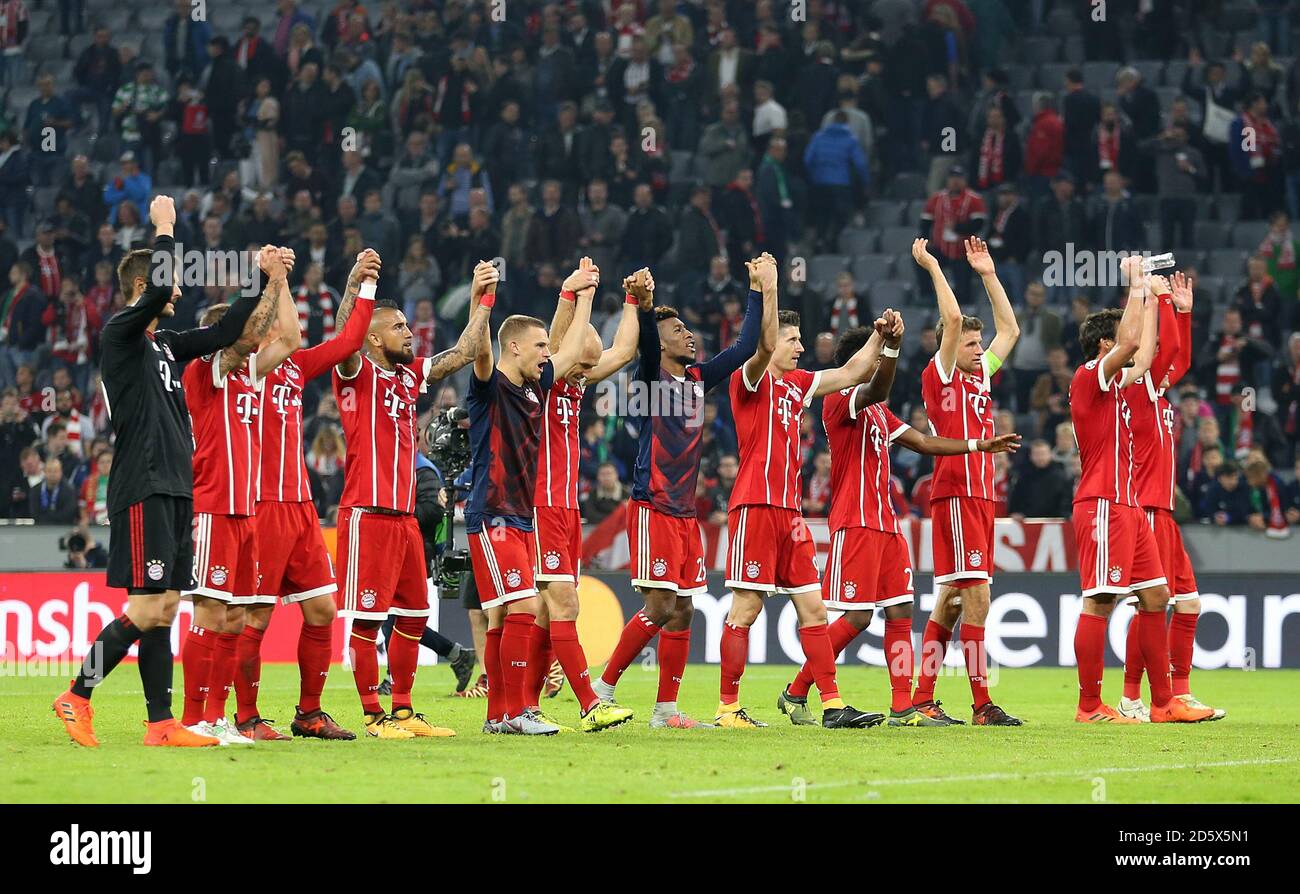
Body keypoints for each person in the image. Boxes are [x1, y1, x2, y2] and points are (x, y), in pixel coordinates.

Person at [52, 195, 265, 748]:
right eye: (166, 284)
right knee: (145, 607)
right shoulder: (120, 336)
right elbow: (157, 286)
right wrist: (166, 227)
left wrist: (260, 283)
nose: (177, 291)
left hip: (175, 488)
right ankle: (77, 694)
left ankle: (160, 725)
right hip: (142, 484)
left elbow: (225, 336)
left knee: (166, 609)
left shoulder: (167, 345)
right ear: (145, 287)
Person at [779, 322, 1021, 728]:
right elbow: (875, 386)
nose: (879, 365)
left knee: (901, 609)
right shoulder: (841, 399)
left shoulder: (880, 412)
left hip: (888, 524)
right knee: (857, 617)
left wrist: (980, 445)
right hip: (855, 520)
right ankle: (799, 689)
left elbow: (926, 444)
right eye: (872, 358)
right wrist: (889, 349)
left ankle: (902, 707)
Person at [718, 254, 896, 730]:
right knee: (747, 606)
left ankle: (832, 705)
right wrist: (769, 288)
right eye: (793, 340)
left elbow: (856, 372)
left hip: (790, 513)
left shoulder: (798, 386)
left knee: (814, 608)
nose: (799, 348)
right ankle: (728, 707)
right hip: (755, 504)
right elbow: (759, 345)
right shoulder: (748, 380)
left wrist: (880, 334)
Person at [591, 240, 764, 730]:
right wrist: (646, 305)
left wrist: (755, 290)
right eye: (678, 331)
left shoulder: (695, 379)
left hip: (685, 513)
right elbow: (644, 342)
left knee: (685, 610)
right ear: (662, 343)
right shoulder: (650, 378)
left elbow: (744, 348)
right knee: (661, 605)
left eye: (688, 329)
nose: (688, 336)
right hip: (652, 506)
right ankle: (603, 688)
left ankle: (666, 710)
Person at [331, 260, 494, 738]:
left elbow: (464, 351)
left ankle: (402, 710)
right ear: (375, 338)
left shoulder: (409, 377)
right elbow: (344, 337)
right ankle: (372, 716)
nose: (409, 331)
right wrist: (355, 283)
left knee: (414, 615)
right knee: (366, 620)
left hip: (405, 518)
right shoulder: (355, 370)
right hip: (367, 513)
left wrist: (482, 295)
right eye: (398, 326)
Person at [231, 250, 381, 742]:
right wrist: (272, 277)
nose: (286, 323)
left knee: (321, 610)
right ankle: (247, 718)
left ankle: (309, 713)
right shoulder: (241, 365)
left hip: (301, 510)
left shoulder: (295, 367)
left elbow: (351, 340)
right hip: (261, 506)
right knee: (256, 614)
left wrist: (362, 284)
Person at [1068, 256, 1213, 724]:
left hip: (1129, 506)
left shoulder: (1122, 383)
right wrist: (1134, 285)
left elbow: (1149, 353)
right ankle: (1090, 705)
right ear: (1105, 345)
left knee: (1154, 598)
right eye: (1120, 339)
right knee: (1101, 600)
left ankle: (1163, 702)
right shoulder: (1092, 377)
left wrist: (1157, 299)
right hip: (1104, 503)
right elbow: (1133, 342)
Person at [465, 260, 602, 736]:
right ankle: (519, 712)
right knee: (524, 608)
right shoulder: (490, 386)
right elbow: (478, 348)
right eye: (541, 346)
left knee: (508, 612)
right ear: (516, 347)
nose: (549, 354)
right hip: (492, 514)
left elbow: (571, 351)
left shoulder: (536, 387)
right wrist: (481, 297)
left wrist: (582, 296)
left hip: (522, 517)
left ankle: (498, 716)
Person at [521, 261, 644, 732]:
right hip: (542, 504)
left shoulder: (575, 385)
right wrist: (576, 294)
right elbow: (558, 340)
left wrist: (632, 298)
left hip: (566, 507)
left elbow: (626, 350)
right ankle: (591, 704)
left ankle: (526, 707)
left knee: (548, 613)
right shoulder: (541, 381)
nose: (594, 365)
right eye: (587, 359)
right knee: (565, 605)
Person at [178, 247, 293, 746]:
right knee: (209, 612)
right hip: (214, 505)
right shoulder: (208, 369)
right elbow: (247, 333)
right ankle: (189, 718)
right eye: (244, 333)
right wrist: (265, 280)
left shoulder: (249, 373)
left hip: (247, 509)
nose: (255, 340)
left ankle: (218, 717)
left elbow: (287, 337)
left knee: (234, 616)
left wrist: (282, 279)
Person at [911, 236, 1024, 726]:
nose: (980, 350)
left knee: (953, 601)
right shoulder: (941, 376)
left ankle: (922, 697)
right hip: (956, 493)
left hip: (981, 497)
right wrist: (936, 267)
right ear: (951, 348)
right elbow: (953, 321)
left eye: (981, 345)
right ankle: (981, 704)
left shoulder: (980, 378)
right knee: (975, 596)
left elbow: (1012, 330)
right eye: (972, 345)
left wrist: (988, 274)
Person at [1118, 272, 1224, 722]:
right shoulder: (1132, 386)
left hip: (1164, 510)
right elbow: (1165, 353)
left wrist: (1182, 310)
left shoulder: (1157, 393)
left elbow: (1178, 358)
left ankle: (1178, 690)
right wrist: (1154, 300)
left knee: (1188, 603)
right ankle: (1133, 696)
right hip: (1145, 509)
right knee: (1152, 606)